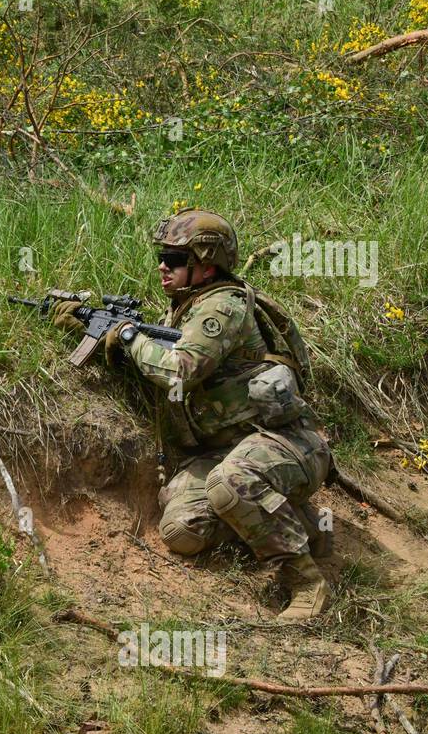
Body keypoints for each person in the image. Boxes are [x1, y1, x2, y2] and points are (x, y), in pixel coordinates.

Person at [53, 209, 334, 620]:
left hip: (287, 447)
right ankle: (304, 523)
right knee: (182, 531)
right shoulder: (186, 307)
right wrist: (88, 325)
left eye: (176, 259)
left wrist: (128, 336)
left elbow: (179, 371)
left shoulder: (222, 308)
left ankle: (306, 582)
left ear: (206, 264)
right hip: (227, 450)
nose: (163, 267)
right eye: (162, 257)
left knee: (230, 483)